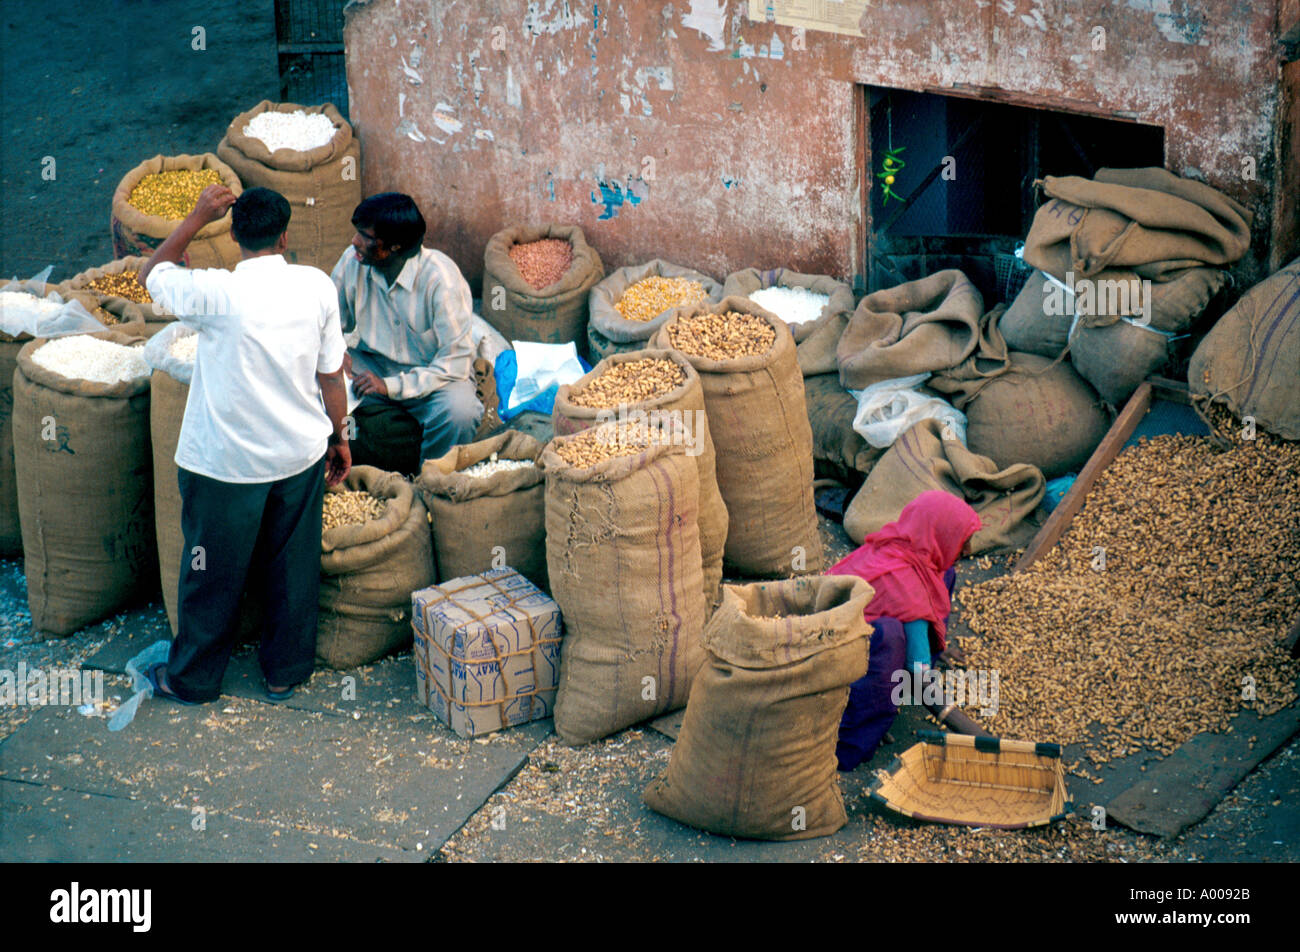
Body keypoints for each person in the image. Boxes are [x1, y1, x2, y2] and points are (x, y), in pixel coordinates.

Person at [138, 185, 351, 705]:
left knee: (210, 572)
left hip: (225, 465)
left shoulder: (214, 292)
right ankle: (285, 673)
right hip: (298, 455)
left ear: (233, 237)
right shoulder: (317, 286)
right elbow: (331, 377)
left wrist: (195, 216)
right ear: (284, 236)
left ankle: (193, 679)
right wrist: (339, 436)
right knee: (292, 569)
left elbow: (149, 275)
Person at [829, 490, 983, 770]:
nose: (968, 551)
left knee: (943, 572)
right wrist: (979, 737)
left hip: (854, 644)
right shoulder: (908, 591)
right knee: (888, 636)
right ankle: (851, 736)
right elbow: (927, 692)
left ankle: (901, 677)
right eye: (963, 541)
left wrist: (934, 644)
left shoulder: (902, 545)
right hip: (830, 668)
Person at [330, 192, 481, 462]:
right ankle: (341, 460)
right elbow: (329, 324)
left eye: (366, 237)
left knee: (461, 412)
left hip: (432, 375)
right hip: (372, 366)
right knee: (316, 381)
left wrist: (390, 386)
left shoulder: (441, 279)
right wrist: (335, 353)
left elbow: (456, 362)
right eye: (357, 233)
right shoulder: (353, 261)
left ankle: (432, 485)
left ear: (395, 247)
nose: (356, 242)